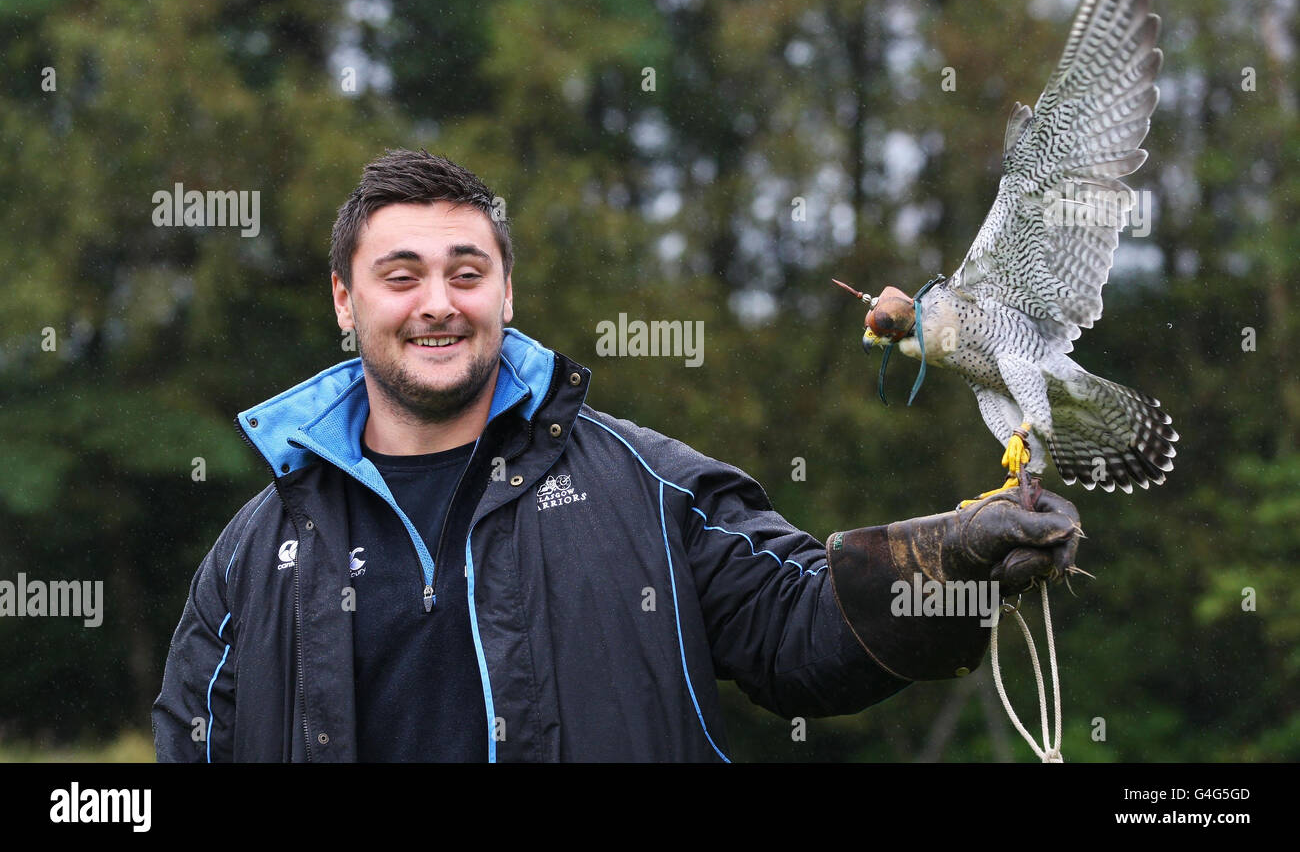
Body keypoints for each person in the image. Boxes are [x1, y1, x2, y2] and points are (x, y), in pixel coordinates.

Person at [152, 149, 1083, 762]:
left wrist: (952, 560)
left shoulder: (648, 486)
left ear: (506, 293)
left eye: (466, 273)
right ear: (345, 302)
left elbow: (804, 630)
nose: (437, 301)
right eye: (401, 276)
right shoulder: (254, 553)